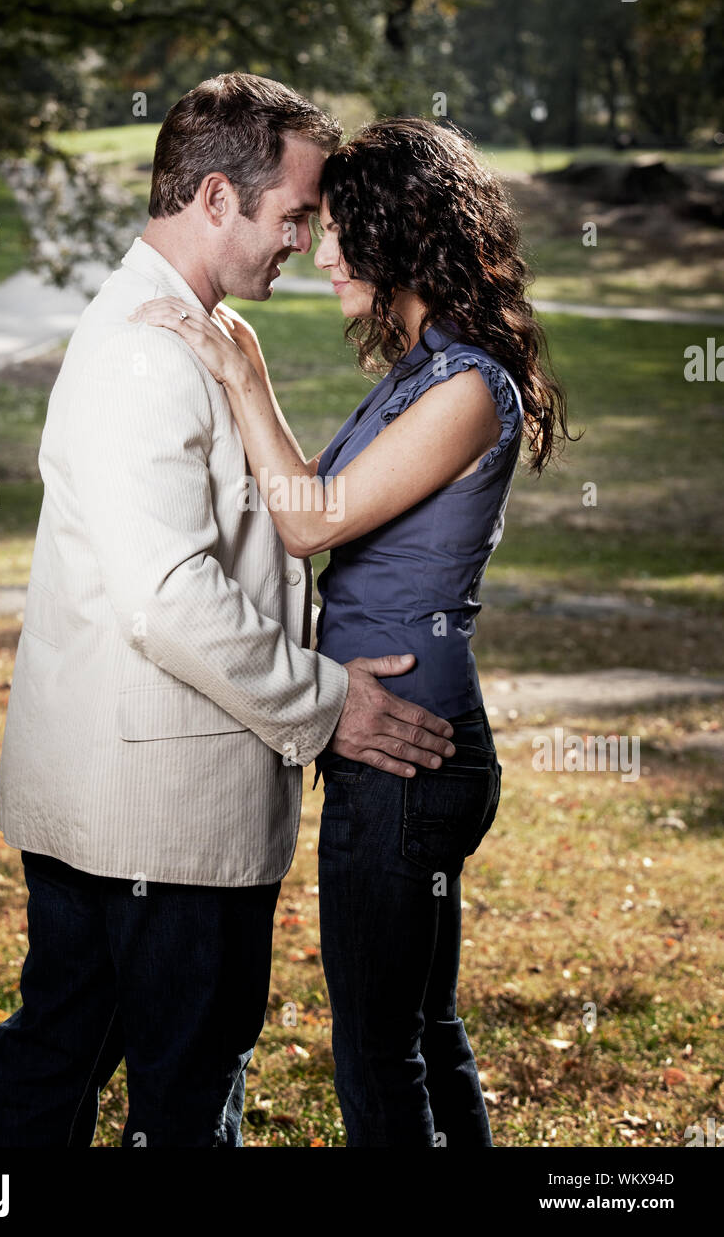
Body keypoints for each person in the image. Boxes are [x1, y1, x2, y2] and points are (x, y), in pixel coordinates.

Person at [0, 77, 457, 1150]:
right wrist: (332, 706)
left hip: (131, 806)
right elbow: (170, 596)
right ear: (220, 198)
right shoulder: (146, 347)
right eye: (293, 216)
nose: (306, 242)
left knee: (53, 1060)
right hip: (157, 815)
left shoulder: (203, 327)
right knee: (179, 1099)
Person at [133, 116, 571, 1148]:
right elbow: (315, 502)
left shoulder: (467, 385)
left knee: (379, 1052)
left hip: (408, 742)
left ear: (398, 231)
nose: (319, 252)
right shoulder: (423, 369)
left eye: (338, 229)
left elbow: (310, 518)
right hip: (400, 733)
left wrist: (242, 371)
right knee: (421, 1026)